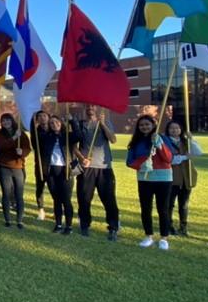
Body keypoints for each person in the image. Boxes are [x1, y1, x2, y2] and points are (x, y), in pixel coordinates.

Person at [126, 114, 173, 250]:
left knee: (163, 209)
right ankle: (148, 236)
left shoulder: (162, 138)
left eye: (147, 124)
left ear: (153, 125)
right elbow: (129, 161)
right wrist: (142, 163)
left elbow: (169, 158)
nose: (144, 127)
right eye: (141, 125)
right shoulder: (135, 141)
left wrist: (160, 145)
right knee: (146, 209)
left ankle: (164, 238)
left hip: (163, 179)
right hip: (145, 178)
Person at [73, 105, 120, 241]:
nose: (90, 108)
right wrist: (82, 158)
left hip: (104, 168)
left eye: (92, 106)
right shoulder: (80, 124)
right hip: (86, 168)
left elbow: (113, 140)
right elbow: (73, 146)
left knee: (109, 199)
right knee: (84, 198)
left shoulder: (105, 122)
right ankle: (84, 225)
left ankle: (113, 227)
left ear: (97, 108)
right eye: (87, 106)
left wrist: (103, 124)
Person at [36, 115, 78, 234]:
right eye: (52, 123)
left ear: (61, 123)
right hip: (51, 171)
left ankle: (68, 226)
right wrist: (35, 123)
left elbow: (79, 135)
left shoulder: (67, 136)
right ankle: (58, 224)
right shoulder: (47, 137)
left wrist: (72, 120)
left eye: (56, 122)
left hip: (65, 170)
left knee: (66, 199)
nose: (54, 124)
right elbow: (36, 136)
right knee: (56, 199)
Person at [163, 120, 202, 237]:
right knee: (169, 204)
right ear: (168, 130)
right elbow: (170, 159)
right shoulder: (165, 142)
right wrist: (185, 157)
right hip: (172, 178)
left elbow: (198, 152)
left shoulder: (185, 142)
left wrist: (191, 139)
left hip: (186, 178)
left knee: (184, 204)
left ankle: (183, 227)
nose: (175, 130)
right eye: (172, 128)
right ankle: (168, 225)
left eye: (177, 128)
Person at [0, 113, 30, 229]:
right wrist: (14, 137)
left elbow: (27, 148)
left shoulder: (21, 133)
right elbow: (2, 146)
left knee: (19, 194)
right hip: (4, 166)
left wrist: (22, 153)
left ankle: (19, 220)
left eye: (8, 120)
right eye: (3, 121)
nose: (6, 123)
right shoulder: (0, 134)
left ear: (12, 121)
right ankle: (7, 219)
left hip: (18, 167)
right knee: (6, 193)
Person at [30, 110, 50, 221]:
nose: (42, 118)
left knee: (55, 188)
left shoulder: (54, 130)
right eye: (40, 116)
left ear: (48, 117)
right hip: (41, 164)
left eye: (44, 116)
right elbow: (33, 142)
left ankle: (58, 209)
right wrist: (32, 122)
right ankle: (41, 209)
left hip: (54, 165)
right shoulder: (36, 132)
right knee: (40, 187)